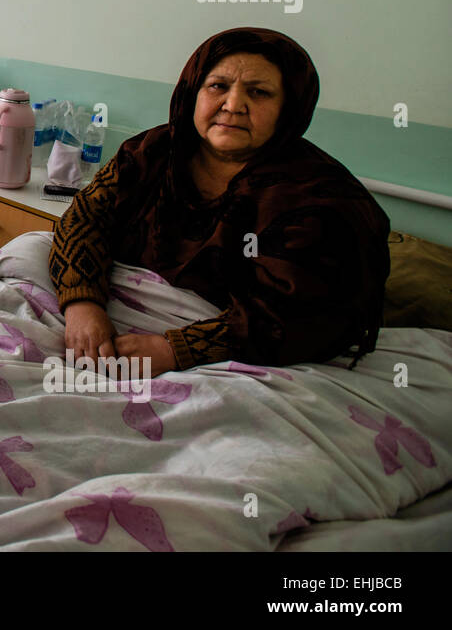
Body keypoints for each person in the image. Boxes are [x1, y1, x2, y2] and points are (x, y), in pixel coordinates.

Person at [49, 27, 390, 373]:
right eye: (218, 86)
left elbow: (310, 316)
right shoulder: (152, 152)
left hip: (236, 343)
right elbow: (83, 220)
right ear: (193, 91)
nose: (233, 105)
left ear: (288, 108)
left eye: (258, 92)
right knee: (29, 249)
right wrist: (82, 305)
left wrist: (176, 350)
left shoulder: (324, 199)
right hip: (114, 305)